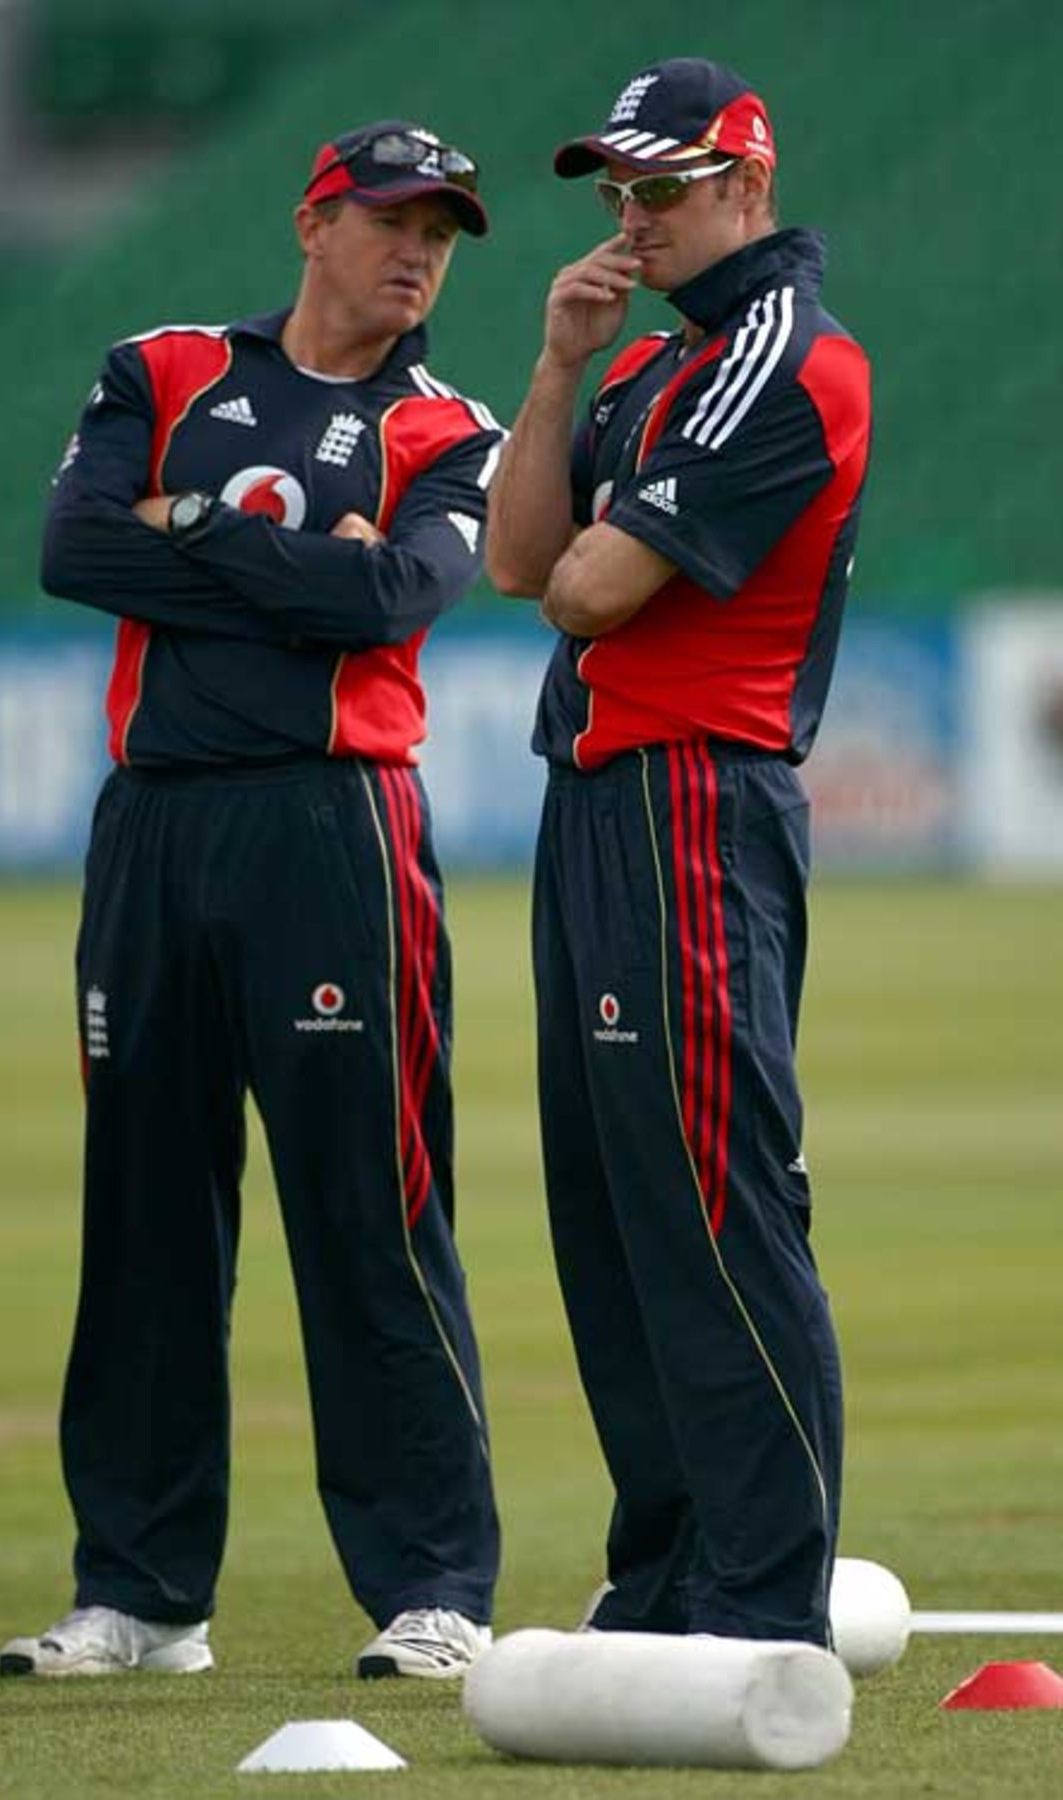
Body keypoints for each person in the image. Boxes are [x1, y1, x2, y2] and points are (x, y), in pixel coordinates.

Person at [0, 120, 503, 1682]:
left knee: (370, 1207)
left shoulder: (447, 429)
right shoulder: (162, 371)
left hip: (333, 828)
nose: (418, 249)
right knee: (145, 1212)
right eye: (391, 217)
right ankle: (144, 1596)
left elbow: (392, 599)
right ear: (314, 222)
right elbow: (76, 547)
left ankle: (432, 1586)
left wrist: (196, 531)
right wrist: (280, 560)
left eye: (441, 229)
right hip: (153, 825)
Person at [486, 58, 871, 1647]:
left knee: (713, 1199)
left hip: (691, 803)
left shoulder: (786, 353)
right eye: (617, 191)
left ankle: (761, 1587)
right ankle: (667, 1568)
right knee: (612, 1208)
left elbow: (595, 594)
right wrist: (563, 366)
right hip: (598, 797)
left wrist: (600, 538)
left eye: (664, 186)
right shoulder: (656, 369)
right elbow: (522, 560)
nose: (633, 217)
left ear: (747, 185)